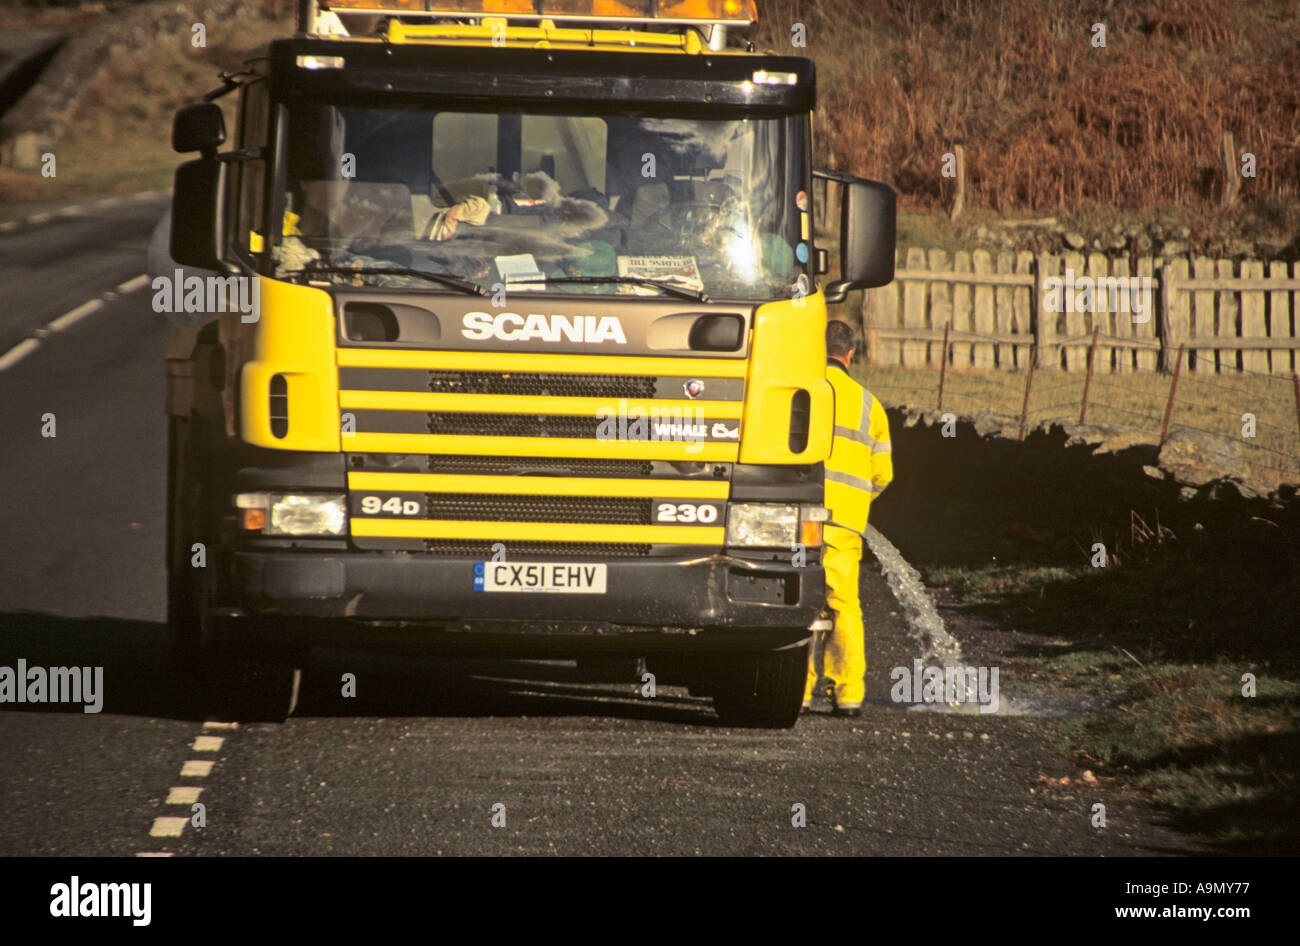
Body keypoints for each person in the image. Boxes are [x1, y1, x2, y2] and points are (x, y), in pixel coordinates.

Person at [805, 320, 893, 717]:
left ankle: (799, 690)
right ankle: (849, 694)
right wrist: (859, 499)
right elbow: (883, 475)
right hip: (844, 520)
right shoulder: (869, 405)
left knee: (797, 598)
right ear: (850, 355)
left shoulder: (799, 389)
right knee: (842, 602)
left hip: (795, 515)